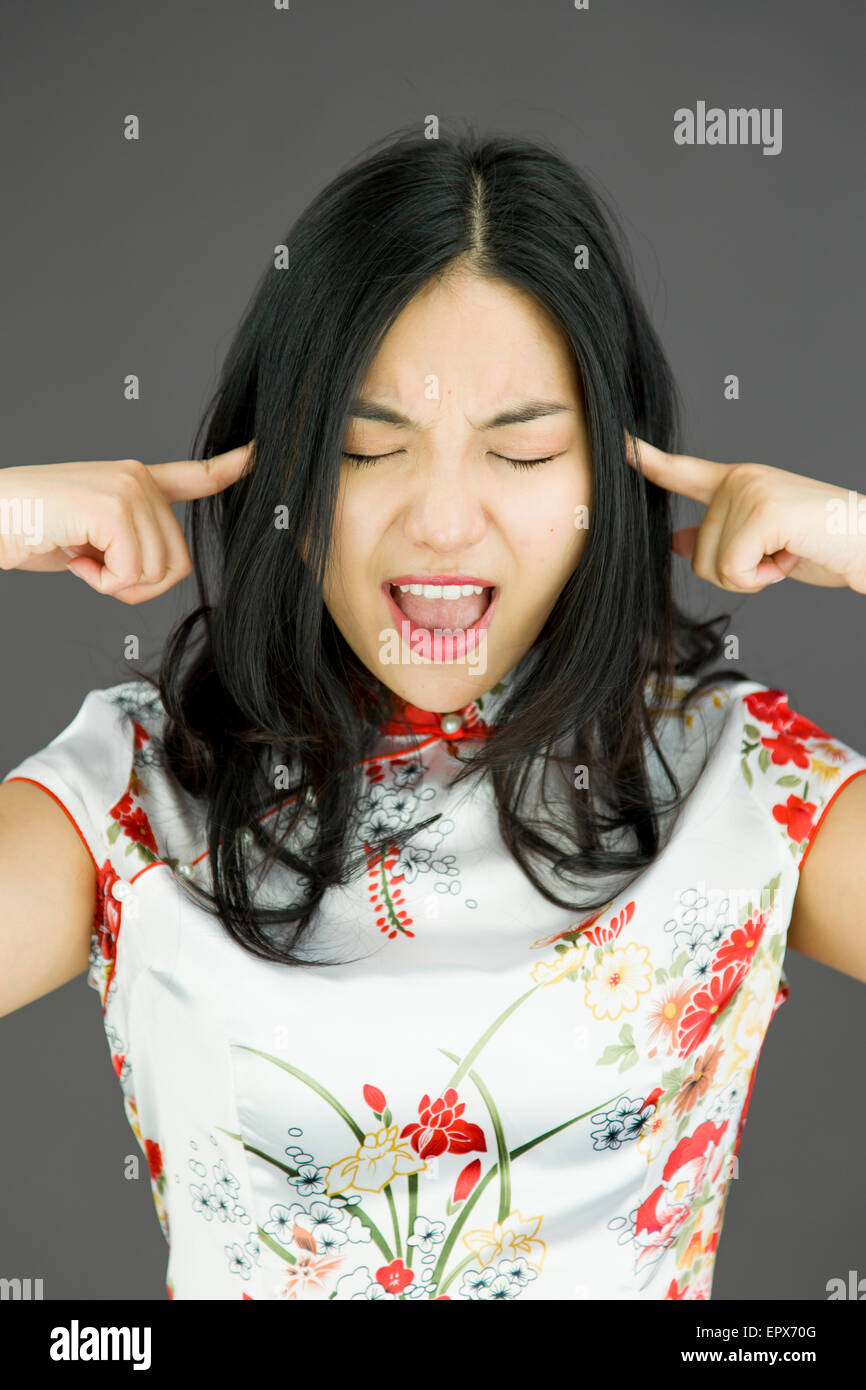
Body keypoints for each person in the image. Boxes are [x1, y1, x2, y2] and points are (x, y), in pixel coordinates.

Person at [1, 127, 865, 1302]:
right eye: (366, 449)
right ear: (282, 483)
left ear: (608, 480)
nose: (444, 521)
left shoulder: (741, 780)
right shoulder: (139, 788)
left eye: (520, 451)